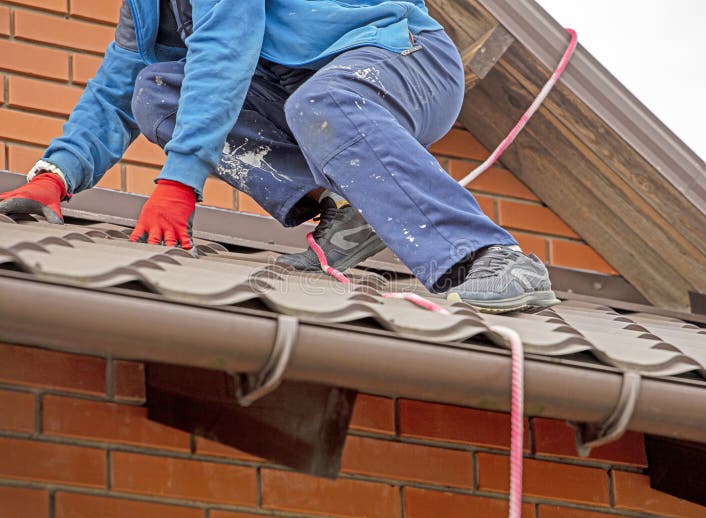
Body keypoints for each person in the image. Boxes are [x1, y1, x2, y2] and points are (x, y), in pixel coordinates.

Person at [0, 0, 558, 313]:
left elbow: (223, 50)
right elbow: (118, 87)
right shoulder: (146, 5)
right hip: (295, 87)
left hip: (400, 56)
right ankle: (347, 202)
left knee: (327, 102)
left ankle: (488, 256)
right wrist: (54, 176)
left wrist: (179, 184)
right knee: (157, 91)